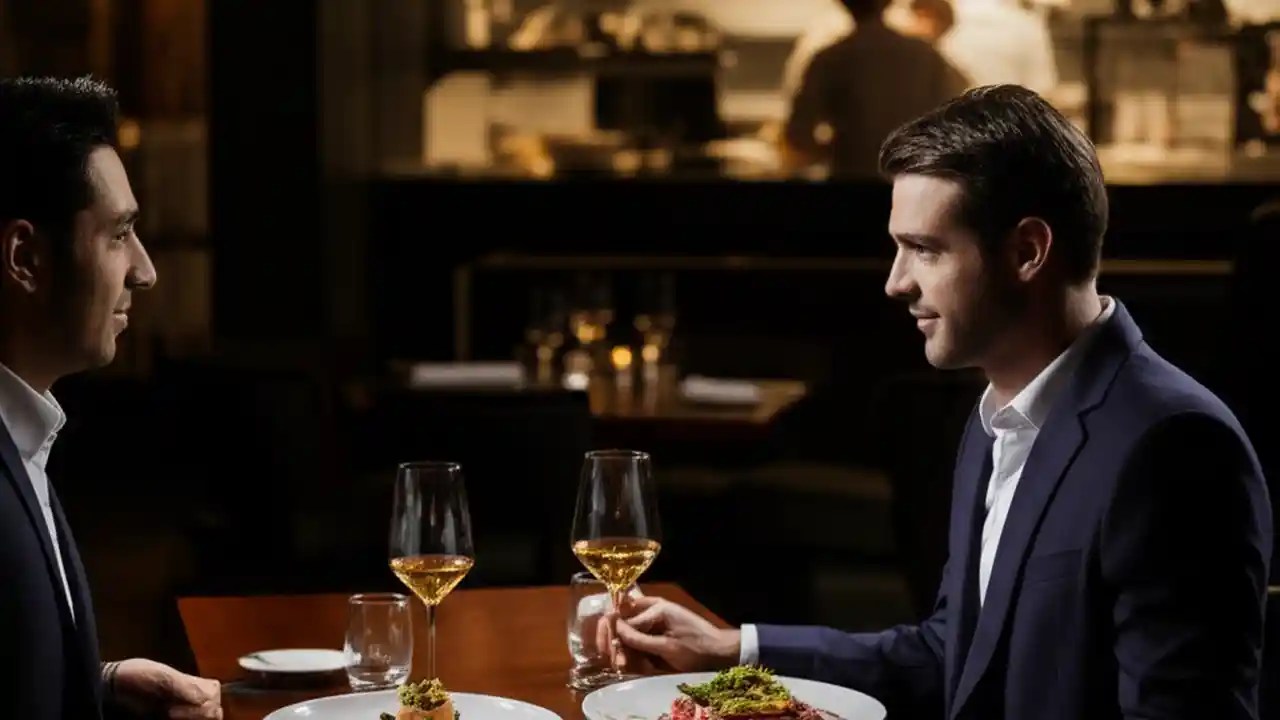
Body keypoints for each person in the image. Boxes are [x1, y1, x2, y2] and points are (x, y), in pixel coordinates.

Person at [604, 85, 1272, 719]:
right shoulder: (993, 419)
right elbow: (950, 655)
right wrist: (734, 649)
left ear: (1027, 252)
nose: (896, 283)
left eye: (923, 249)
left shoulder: (1173, 445)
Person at [0, 76, 222, 719]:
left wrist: (99, 683)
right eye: (119, 234)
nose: (145, 270)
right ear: (25, 258)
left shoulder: (21, 429)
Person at [779, 0, 968, 179]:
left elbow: (798, 134)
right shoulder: (927, 57)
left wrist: (841, 149)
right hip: (913, 183)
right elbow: (955, 124)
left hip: (851, 177)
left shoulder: (830, 58)